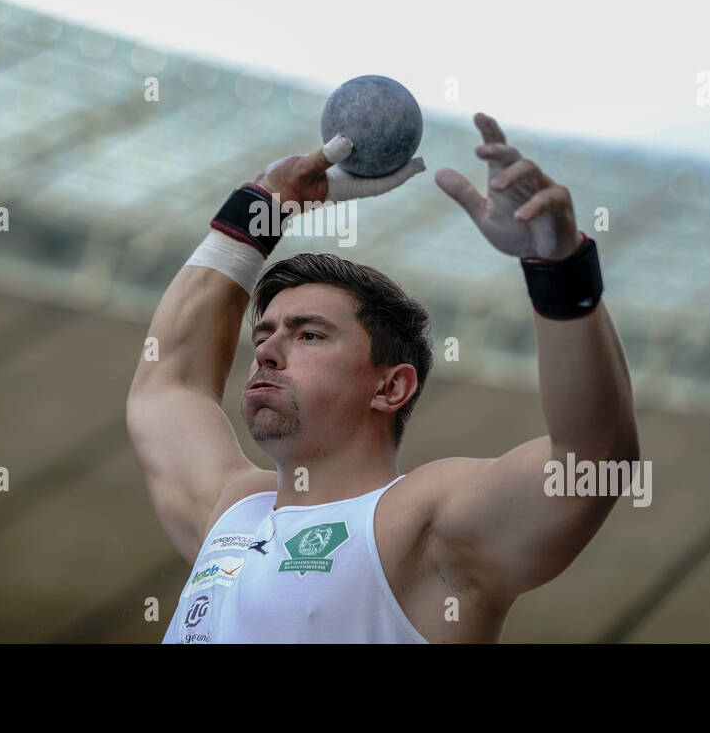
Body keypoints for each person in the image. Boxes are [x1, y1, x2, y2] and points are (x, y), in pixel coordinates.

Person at [127, 112, 639, 643]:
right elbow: (168, 380)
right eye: (264, 336)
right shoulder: (232, 510)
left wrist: (558, 268)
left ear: (391, 387)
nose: (267, 352)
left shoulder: (425, 525)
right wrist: (262, 207)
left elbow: (590, 464)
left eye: (308, 335)